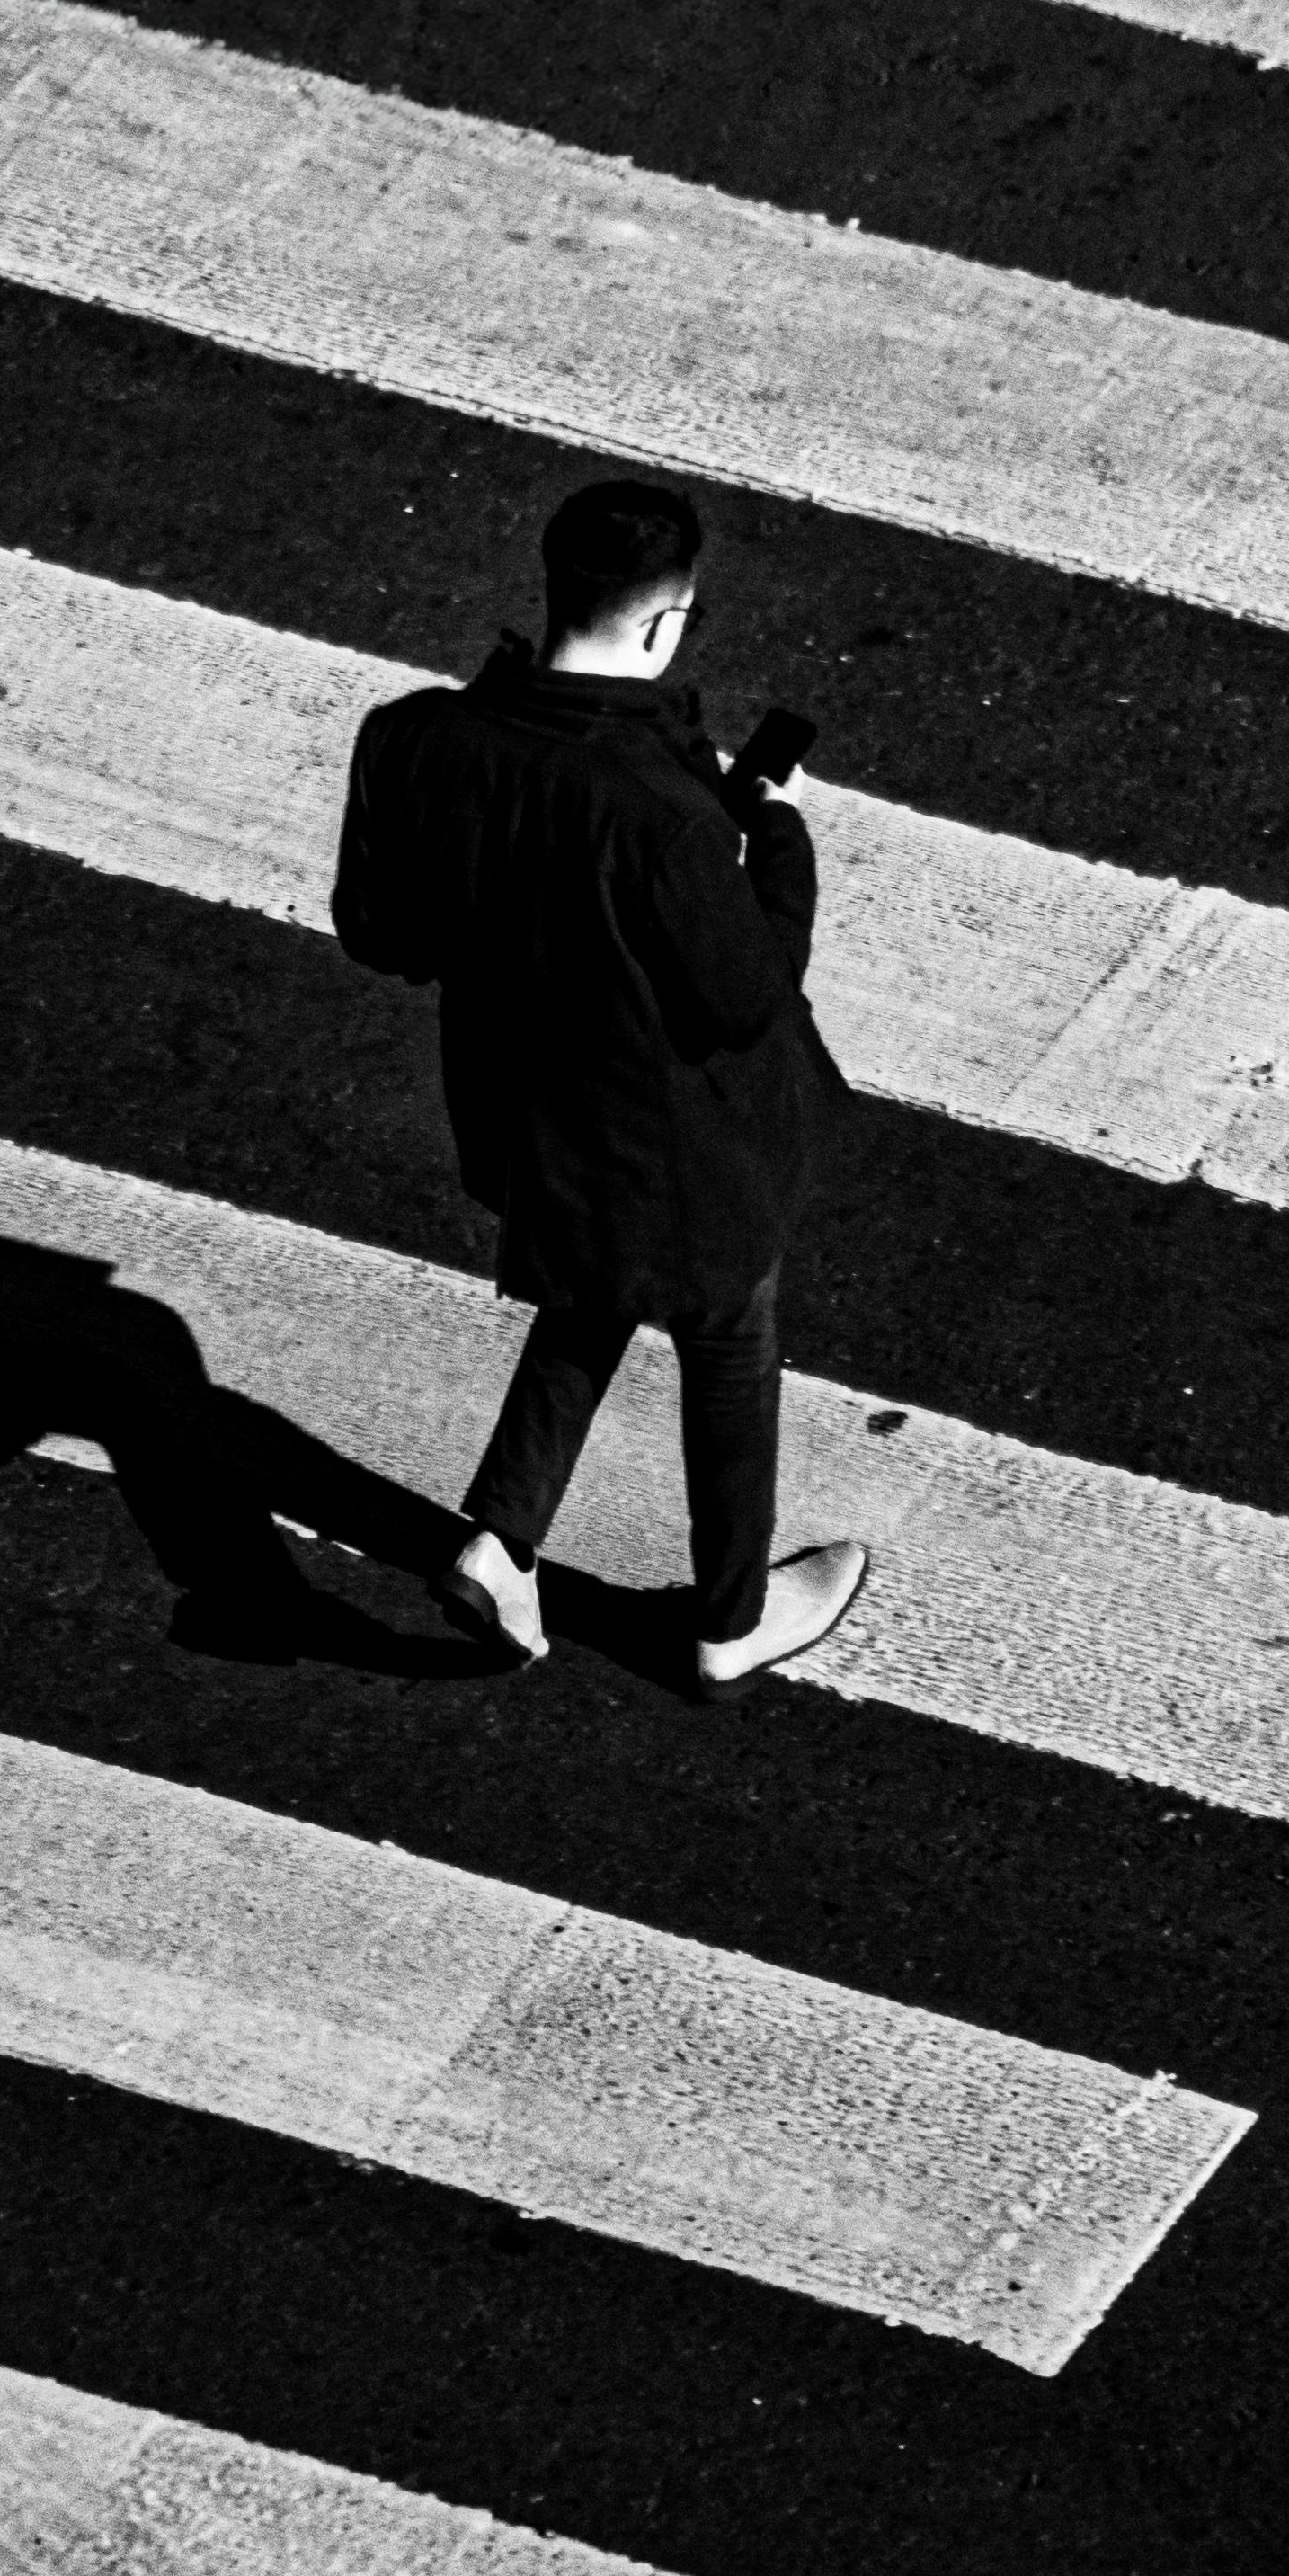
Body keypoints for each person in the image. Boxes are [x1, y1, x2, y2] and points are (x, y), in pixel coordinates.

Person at [333, 478, 868, 1690]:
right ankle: (731, 1621)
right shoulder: (661, 819)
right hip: (678, 1139)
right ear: (663, 618)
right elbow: (741, 995)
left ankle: (499, 1538)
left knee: (599, 1279)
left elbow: (380, 931)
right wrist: (775, 839)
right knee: (728, 1326)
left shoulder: (414, 741)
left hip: (532, 1114)